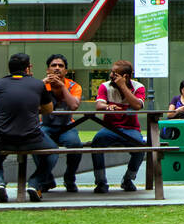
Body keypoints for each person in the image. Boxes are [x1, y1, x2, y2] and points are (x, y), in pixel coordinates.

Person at [0, 53, 56, 203]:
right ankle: (35, 183)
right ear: (28, 68)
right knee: (52, 153)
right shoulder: (37, 84)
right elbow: (48, 109)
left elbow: (11, 103)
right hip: (32, 138)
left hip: (4, 137)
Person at [90, 60, 148, 194]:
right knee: (96, 144)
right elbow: (99, 106)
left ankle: (128, 179)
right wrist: (107, 106)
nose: (111, 75)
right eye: (112, 72)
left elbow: (137, 106)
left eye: (115, 74)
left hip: (131, 128)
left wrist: (123, 87)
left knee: (141, 147)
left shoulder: (139, 87)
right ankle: (100, 182)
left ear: (126, 76)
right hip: (109, 128)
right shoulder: (105, 86)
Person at [38, 53, 83, 192]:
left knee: (76, 145)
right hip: (46, 126)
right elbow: (31, 104)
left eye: (60, 66)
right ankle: (47, 179)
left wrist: (62, 87)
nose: (57, 68)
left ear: (66, 71)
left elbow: (74, 106)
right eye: (53, 65)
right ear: (48, 70)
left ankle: (69, 179)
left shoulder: (74, 86)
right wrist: (41, 84)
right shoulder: (41, 85)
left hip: (67, 126)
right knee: (35, 144)